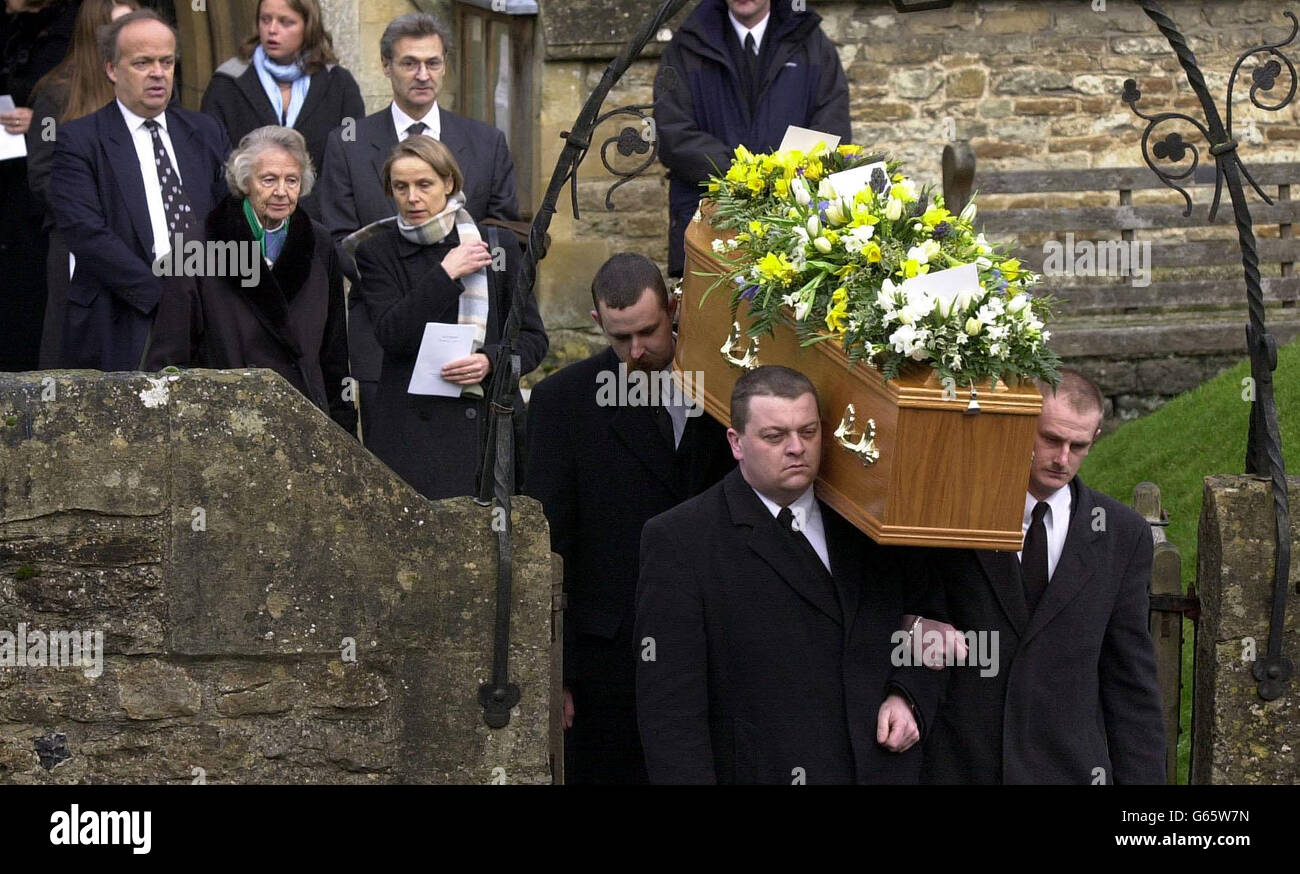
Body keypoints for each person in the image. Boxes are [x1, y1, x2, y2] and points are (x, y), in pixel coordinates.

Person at [635, 365, 929, 784]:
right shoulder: (682, 539)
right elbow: (671, 711)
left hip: (877, 767)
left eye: (808, 432)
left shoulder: (869, 520)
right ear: (736, 443)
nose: (796, 448)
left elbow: (928, 614)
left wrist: (908, 694)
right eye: (775, 436)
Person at [524, 253, 735, 784]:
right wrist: (560, 669)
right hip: (609, 654)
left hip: (718, 638)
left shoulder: (731, 387)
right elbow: (549, 541)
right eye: (620, 338)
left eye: (647, 331)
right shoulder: (561, 402)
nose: (636, 351)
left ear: (675, 309)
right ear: (597, 323)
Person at [903, 369, 1165, 784]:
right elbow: (902, 612)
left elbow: (1129, 677)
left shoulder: (1123, 534)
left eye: (1078, 445)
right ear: (1022, 421)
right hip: (960, 763)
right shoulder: (956, 513)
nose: (1062, 459)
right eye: (1051, 440)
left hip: (1070, 768)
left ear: (1095, 436)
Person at [315, 11, 519, 442]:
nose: (423, 74)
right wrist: (412, 294)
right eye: (410, 63)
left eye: (433, 62)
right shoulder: (348, 143)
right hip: (382, 341)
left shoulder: (485, 140)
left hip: (469, 342)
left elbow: (504, 229)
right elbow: (339, 243)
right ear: (386, 66)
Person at [350, 136, 545, 500]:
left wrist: (490, 360)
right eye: (400, 187)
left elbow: (533, 339)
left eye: (424, 185)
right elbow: (392, 334)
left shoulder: (496, 245)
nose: (412, 198)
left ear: (449, 183)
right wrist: (445, 274)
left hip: (487, 424)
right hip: (412, 433)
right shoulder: (375, 250)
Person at [49, 9, 230, 371]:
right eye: (143, 63)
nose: (158, 73)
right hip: (121, 317)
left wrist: (211, 295)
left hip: (205, 318)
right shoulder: (80, 140)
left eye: (166, 61)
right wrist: (165, 296)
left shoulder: (206, 131)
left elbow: (228, 215)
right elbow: (87, 234)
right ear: (112, 70)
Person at [655, 0, 850, 277]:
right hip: (711, 225)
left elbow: (832, 128)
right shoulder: (687, 45)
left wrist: (779, 178)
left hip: (794, 225)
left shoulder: (811, 42)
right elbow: (672, 131)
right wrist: (746, 176)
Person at [199, 126, 354, 434]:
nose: (282, 191)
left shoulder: (320, 242)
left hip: (305, 417)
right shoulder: (204, 244)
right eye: (269, 180)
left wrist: (342, 427)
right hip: (230, 423)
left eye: (292, 180)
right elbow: (172, 353)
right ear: (245, 182)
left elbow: (334, 351)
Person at [27, 0, 140, 368]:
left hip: (140, 244)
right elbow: (43, 173)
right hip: (77, 246)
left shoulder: (147, 93)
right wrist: (94, 220)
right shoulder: (55, 95)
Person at [199, 0, 362, 220]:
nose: (272, 30)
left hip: (319, 223)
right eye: (265, 20)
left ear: (309, 26)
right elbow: (211, 160)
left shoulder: (339, 84)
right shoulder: (227, 83)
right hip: (245, 223)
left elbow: (350, 157)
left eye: (286, 22)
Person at [0, 0, 77, 370]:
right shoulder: (15, 28)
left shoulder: (74, 33)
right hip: (9, 188)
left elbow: (64, 116)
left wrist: (41, 122)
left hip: (41, 204)